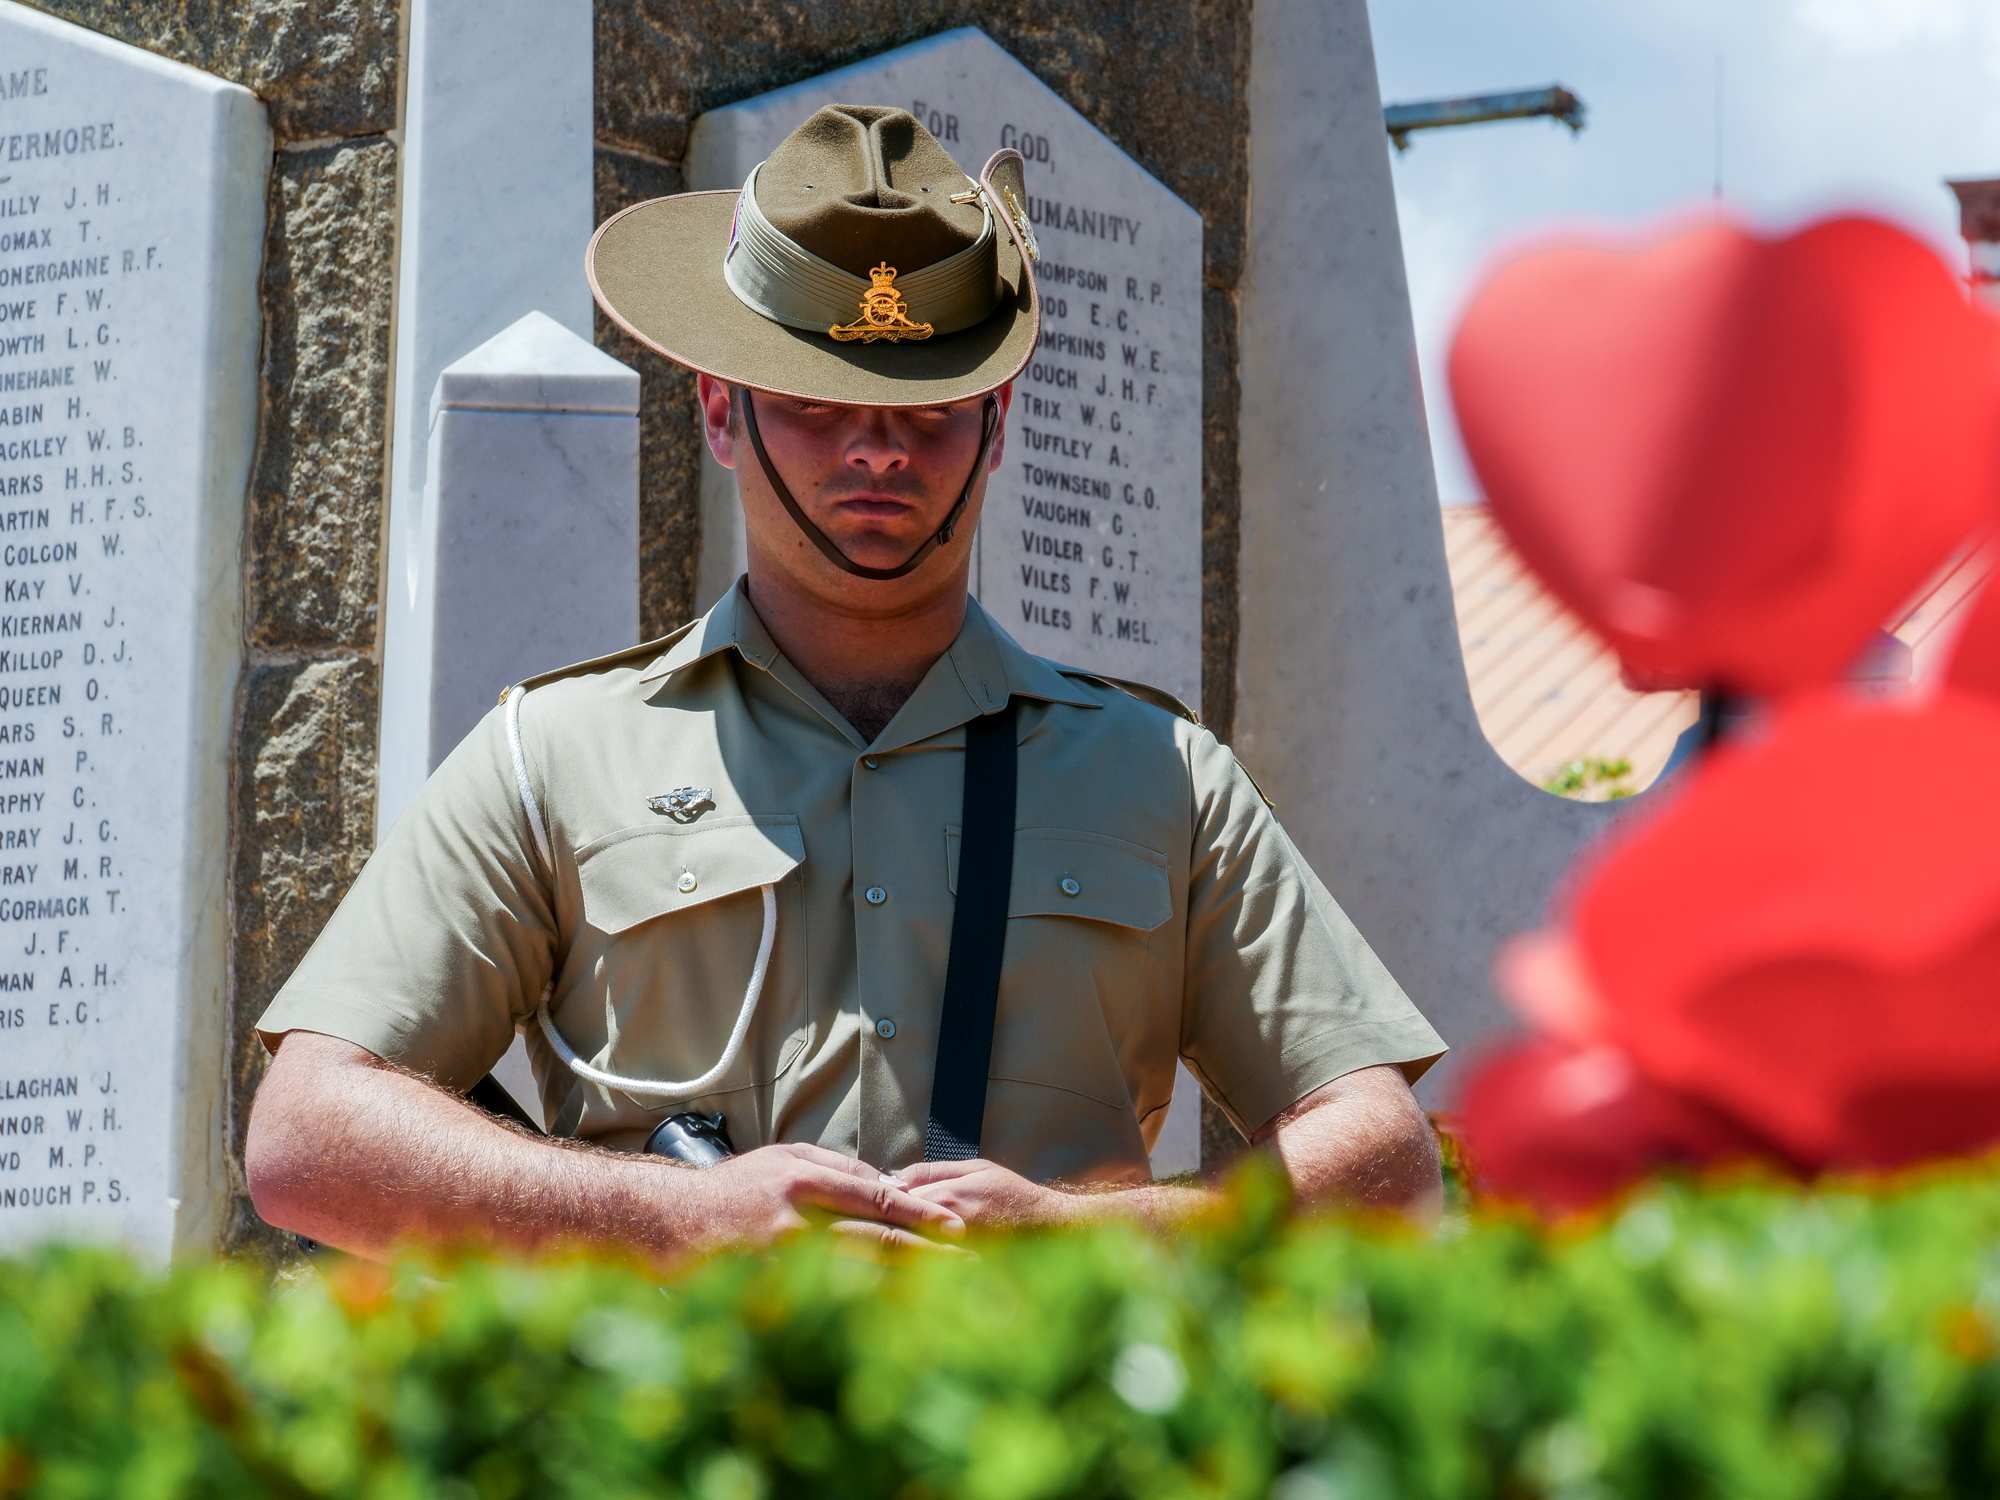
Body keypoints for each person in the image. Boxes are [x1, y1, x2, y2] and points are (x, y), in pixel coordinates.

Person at [244, 105, 1447, 1264]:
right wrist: (664, 1221)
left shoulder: (1162, 777)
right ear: (722, 411)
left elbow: (1383, 1166)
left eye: (925, 411)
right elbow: (308, 1135)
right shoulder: (551, 755)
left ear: (997, 422)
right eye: (819, 403)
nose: (877, 450)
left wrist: (1085, 1240)